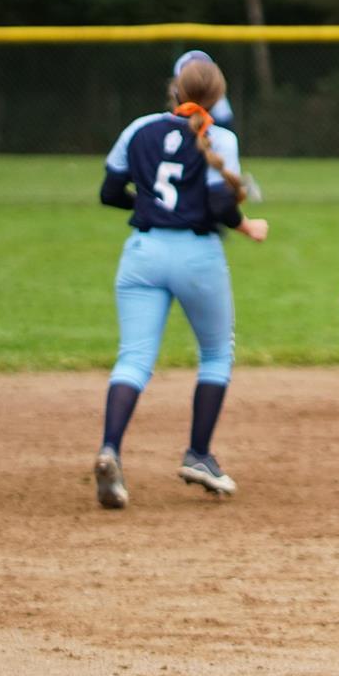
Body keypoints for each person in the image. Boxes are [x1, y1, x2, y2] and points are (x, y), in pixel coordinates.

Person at [94, 55, 269, 509]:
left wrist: (150, 205)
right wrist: (247, 226)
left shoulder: (138, 129)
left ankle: (110, 449)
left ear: (174, 89)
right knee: (214, 355)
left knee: (133, 359)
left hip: (142, 251)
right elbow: (216, 203)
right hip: (196, 256)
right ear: (217, 96)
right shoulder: (220, 137)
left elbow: (110, 193)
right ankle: (198, 455)